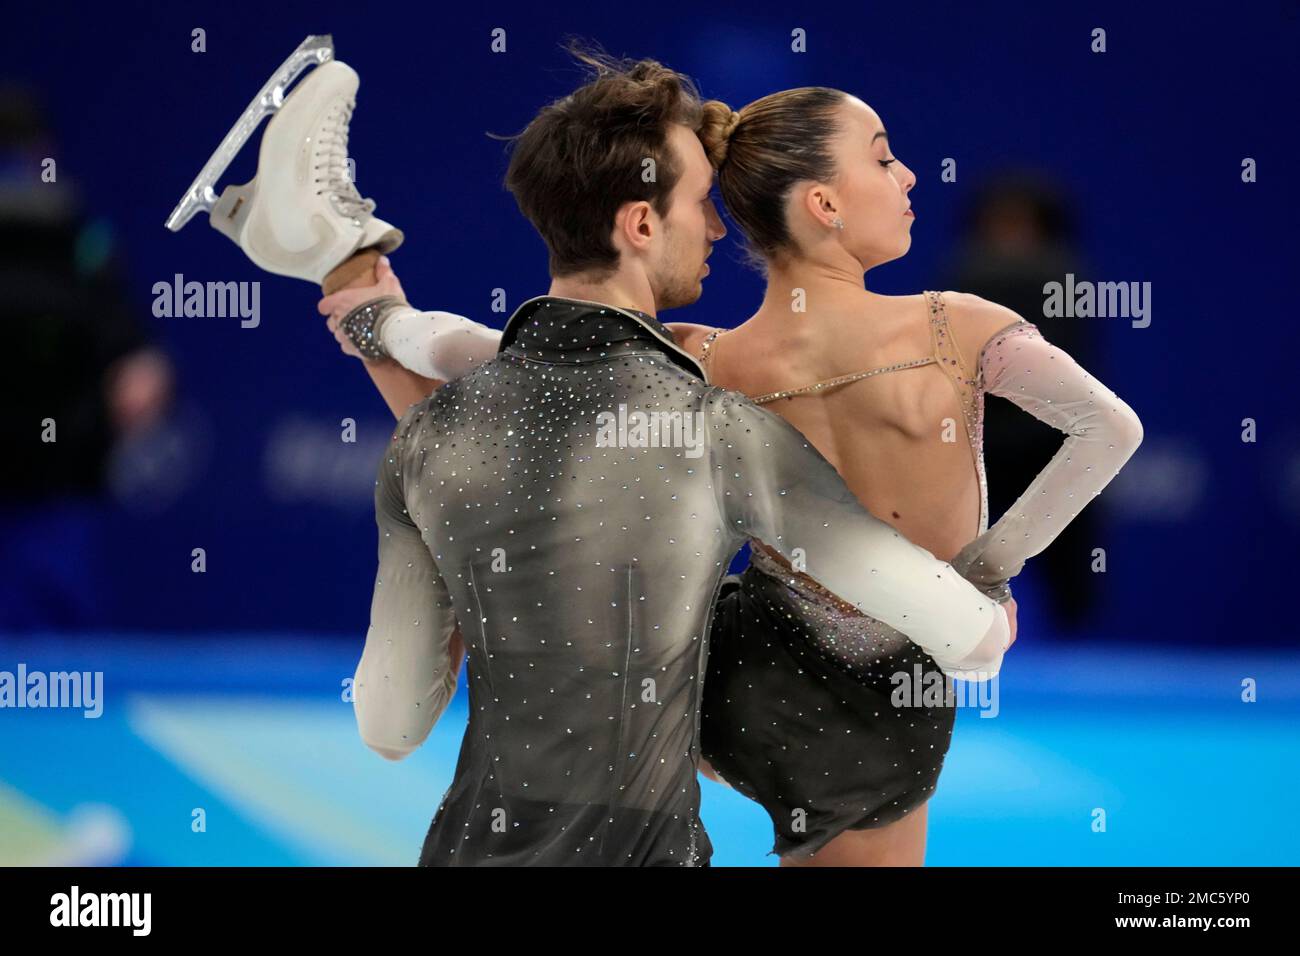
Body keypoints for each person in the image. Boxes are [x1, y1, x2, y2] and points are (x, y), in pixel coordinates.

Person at [175, 44, 1013, 866]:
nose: (718, 224)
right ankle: (330, 246)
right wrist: (988, 603)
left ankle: (330, 247)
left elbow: (390, 726)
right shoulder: (720, 432)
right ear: (641, 222)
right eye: (699, 203)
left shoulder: (431, 439)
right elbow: (965, 638)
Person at [321, 78, 1142, 866]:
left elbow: (512, 368)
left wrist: (378, 317)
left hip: (732, 676)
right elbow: (1108, 430)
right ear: (823, 203)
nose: (909, 175)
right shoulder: (948, 329)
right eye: (885, 159)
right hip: (877, 701)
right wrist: (990, 574)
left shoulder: (697, 359)